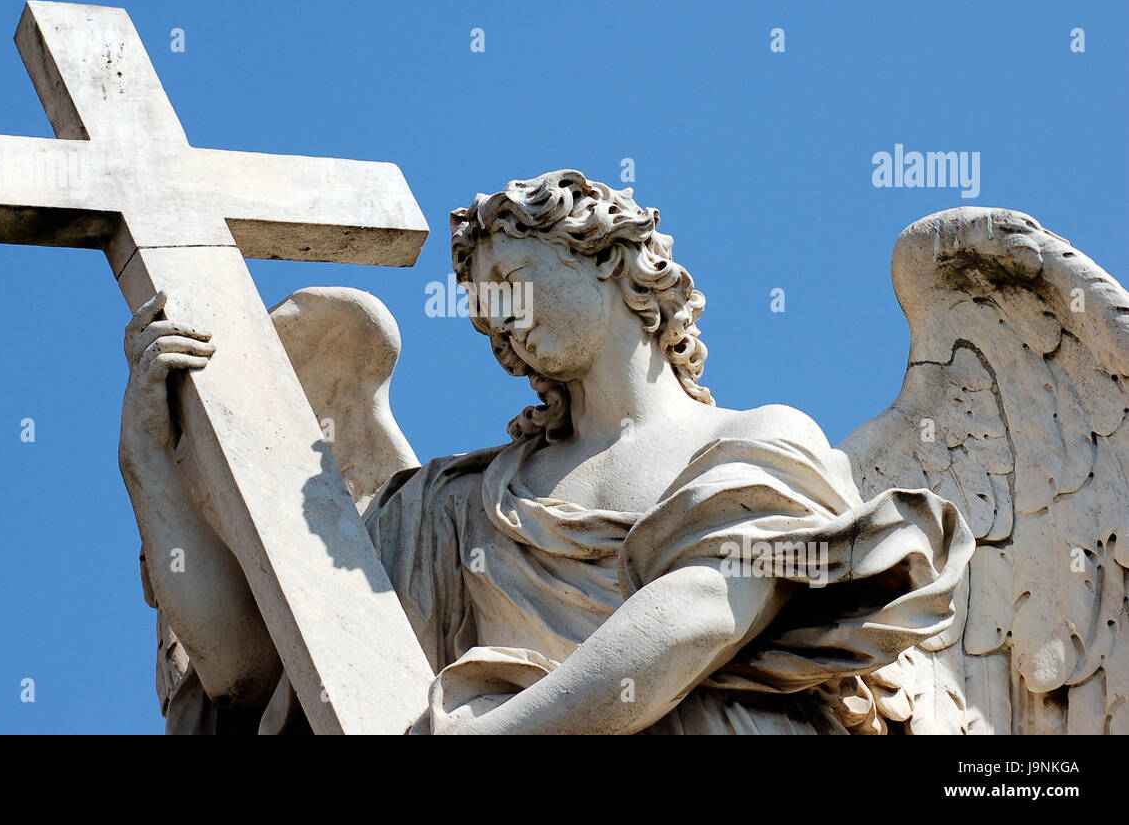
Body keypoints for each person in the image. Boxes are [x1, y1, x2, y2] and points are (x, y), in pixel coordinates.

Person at [120, 169, 973, 734]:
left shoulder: (754, 442)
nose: (500, 317)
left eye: (514, 281)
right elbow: (247, 669)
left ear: (613, 262)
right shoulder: (450, 510)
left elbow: (699, 617)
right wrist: (150, 461)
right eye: (484, 306)